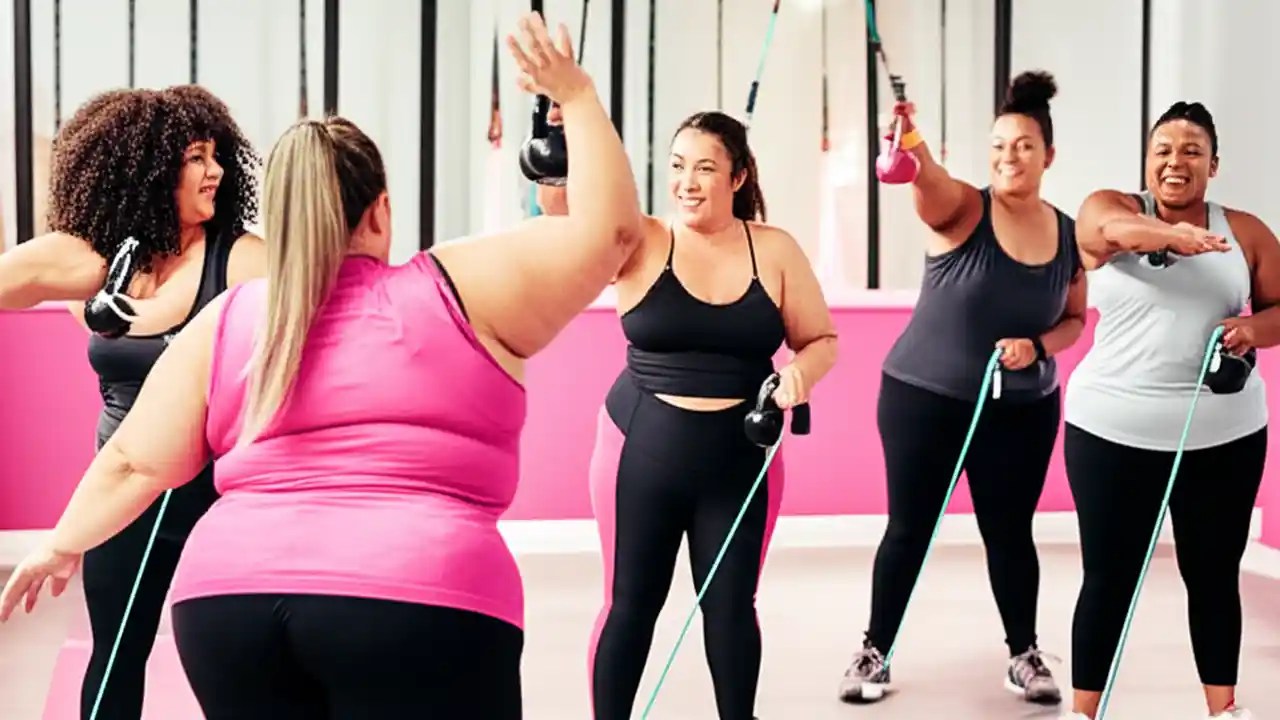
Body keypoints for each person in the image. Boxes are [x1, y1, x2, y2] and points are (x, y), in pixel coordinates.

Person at [0, 13, 641, 719]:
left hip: (230, 603)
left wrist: (59, 546)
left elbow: (131, 464)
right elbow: (608, 235)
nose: (210, 171)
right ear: (382, 210)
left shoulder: (233, 311)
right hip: (418, 599)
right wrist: (576, 97)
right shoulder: (460, 287)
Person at [534, 107, 838, 719]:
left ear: (739, 178)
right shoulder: (641, 237)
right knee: (630, 605)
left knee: (730, 608)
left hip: (740, 461)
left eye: (704, 168)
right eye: (676, 167)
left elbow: (821, 339)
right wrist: (557, 136)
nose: (687, 182)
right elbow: (560, 209)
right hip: (638, 451)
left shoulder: (774, 249)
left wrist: (800, 373)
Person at [0, 84, 265, 720]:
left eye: (217, 156)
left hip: (213, 482)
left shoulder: (240, 258)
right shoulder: (104, 260)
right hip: (119, 481)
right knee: (115, 653)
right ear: (147, 170)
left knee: (236, 659)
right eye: (196, 158)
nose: (216, 172)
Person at [837, 70, 1087, 707]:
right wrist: (913, 146)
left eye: (1024, 146)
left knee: (1009, 533)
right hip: (923, 397)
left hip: (1024, 405)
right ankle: (875, 652)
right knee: (910, 530)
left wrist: (1038, 347)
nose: (1009, 156)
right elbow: (931, 187)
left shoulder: (1066, 233)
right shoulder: (966, 209)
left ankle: (1024, 654)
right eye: (999, 145)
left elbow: (1073, 320)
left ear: (1048, 155)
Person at [1063, 101, 1273, 720]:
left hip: (1224, 436)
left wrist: (1251, 329)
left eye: (1191, 150)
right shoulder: (1112, 206)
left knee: (1212, 577)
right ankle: (1083, 713)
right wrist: (1173, 237)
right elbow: (1105, 235)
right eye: (1163, 149)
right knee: (1109, 577)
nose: (1175, 160)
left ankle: (1223, 709)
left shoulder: (1247, 232)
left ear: (1213, 163)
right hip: (1109, 431)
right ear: (1147, 160)